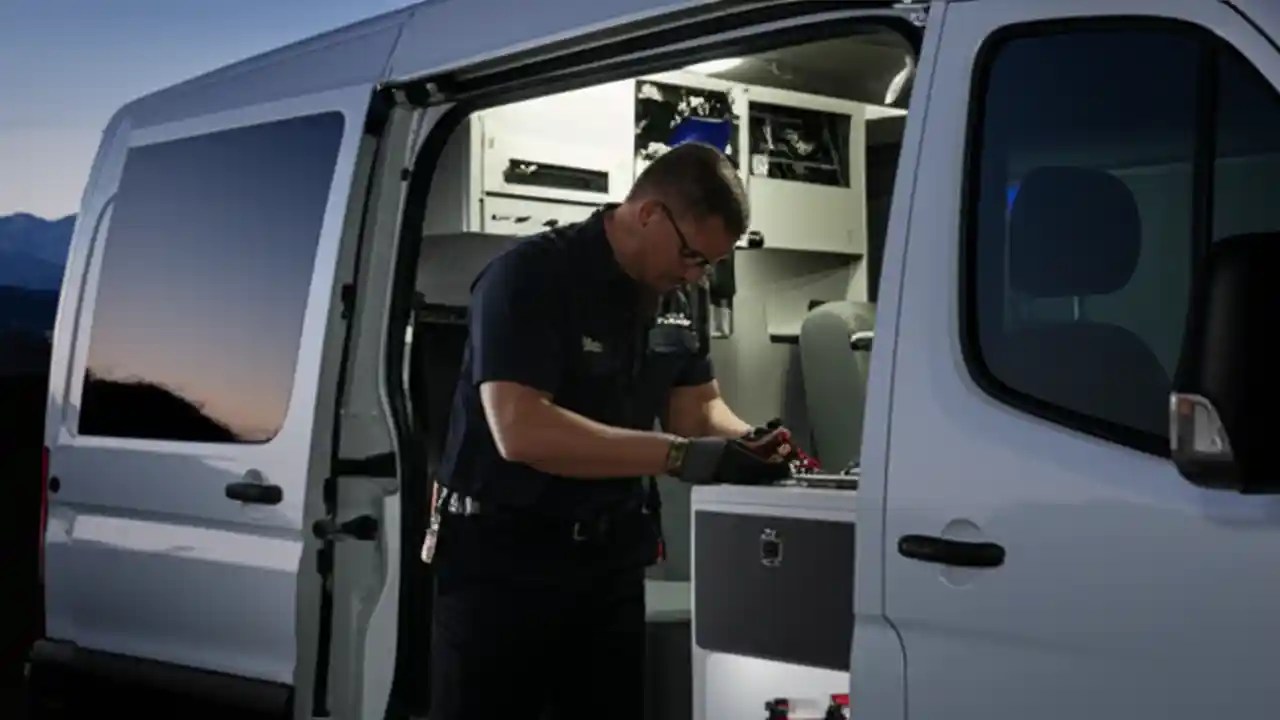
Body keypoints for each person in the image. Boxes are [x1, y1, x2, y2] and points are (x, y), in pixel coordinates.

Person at [427, 141, 796, 719]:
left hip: (609, 560)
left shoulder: (679, 296)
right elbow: (521, 430)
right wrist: (683, 457)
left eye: (711, 266)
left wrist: (746, 441)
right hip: (503, 561)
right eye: (694, 256)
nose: (696, 276)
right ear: (649, 214)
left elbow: (696, 411)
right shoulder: (531, 276)